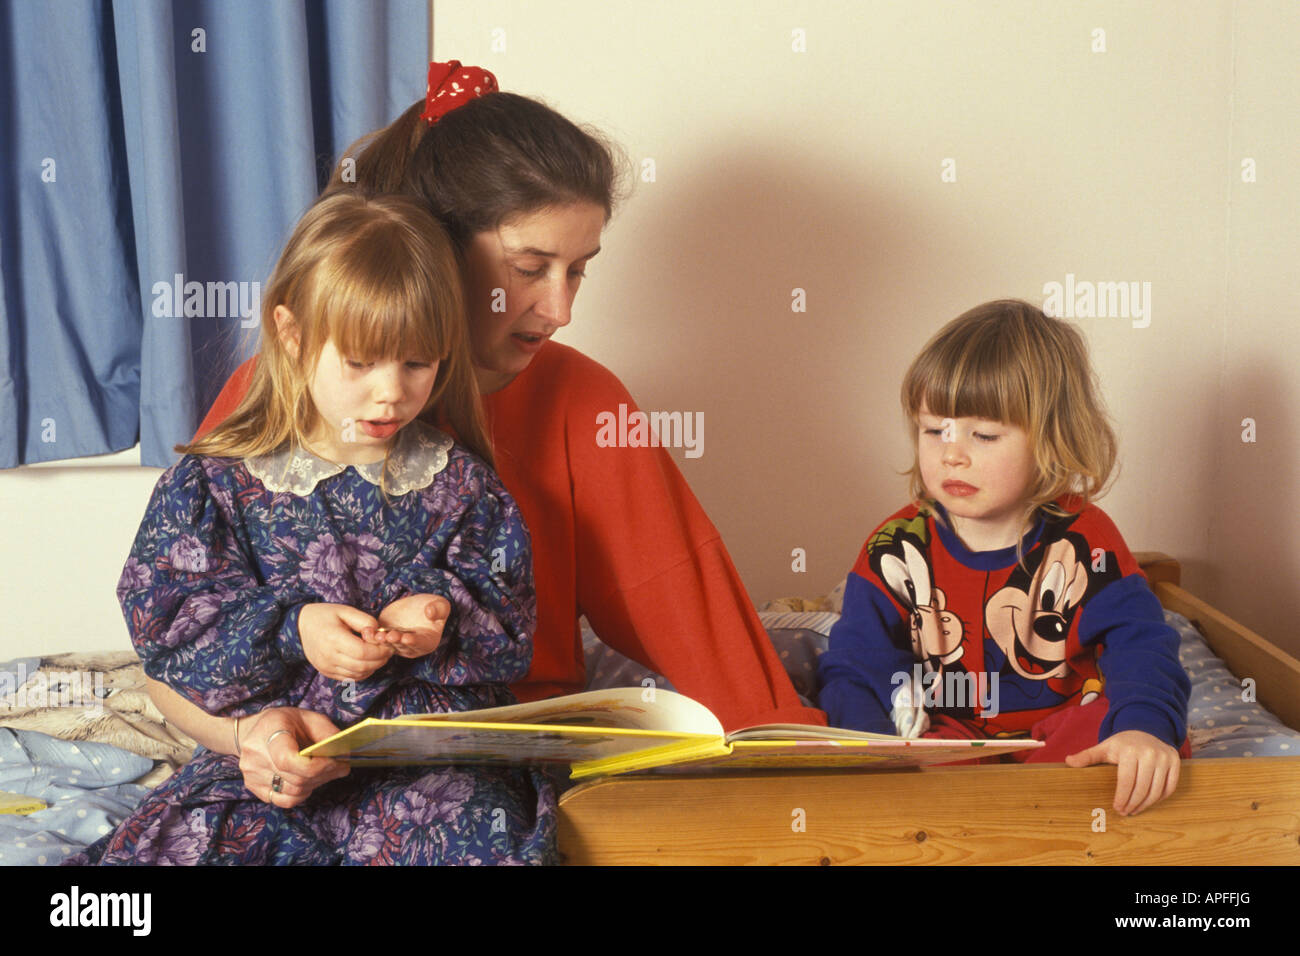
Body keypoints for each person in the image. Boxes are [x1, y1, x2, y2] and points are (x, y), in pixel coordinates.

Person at [153, 59, 822, 813]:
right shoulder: (280, 387)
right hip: (298, 773)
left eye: (579, 272)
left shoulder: (583, 399)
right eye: (532, 268)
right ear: (436, 247)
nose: (561, 308)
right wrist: (251, 735)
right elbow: (168, 649)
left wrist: (806, 757)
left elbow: (696, 618)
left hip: (479, 774)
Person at [74, 192, 555, 864]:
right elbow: (171, 641)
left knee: (472, 835)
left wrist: (439, 617)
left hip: (426, 772)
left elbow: (508, 629)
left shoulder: (465, 487)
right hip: (270, 764)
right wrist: (290, 640)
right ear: (293, 336)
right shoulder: (216, 486)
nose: (391, 392)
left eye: (418, 363)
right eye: (360, 363)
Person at [817, 300, 1190, 816]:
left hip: (1060, 729)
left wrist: (1144, 728)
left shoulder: (1084, 539)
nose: (952, 454)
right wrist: (870, 752)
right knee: (864, 735)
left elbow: (1142, 641)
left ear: (1052, 442)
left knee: (1135, 739)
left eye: (985, 435)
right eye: (934, 430)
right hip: (952, 737)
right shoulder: (896, 546)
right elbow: (858, 665)